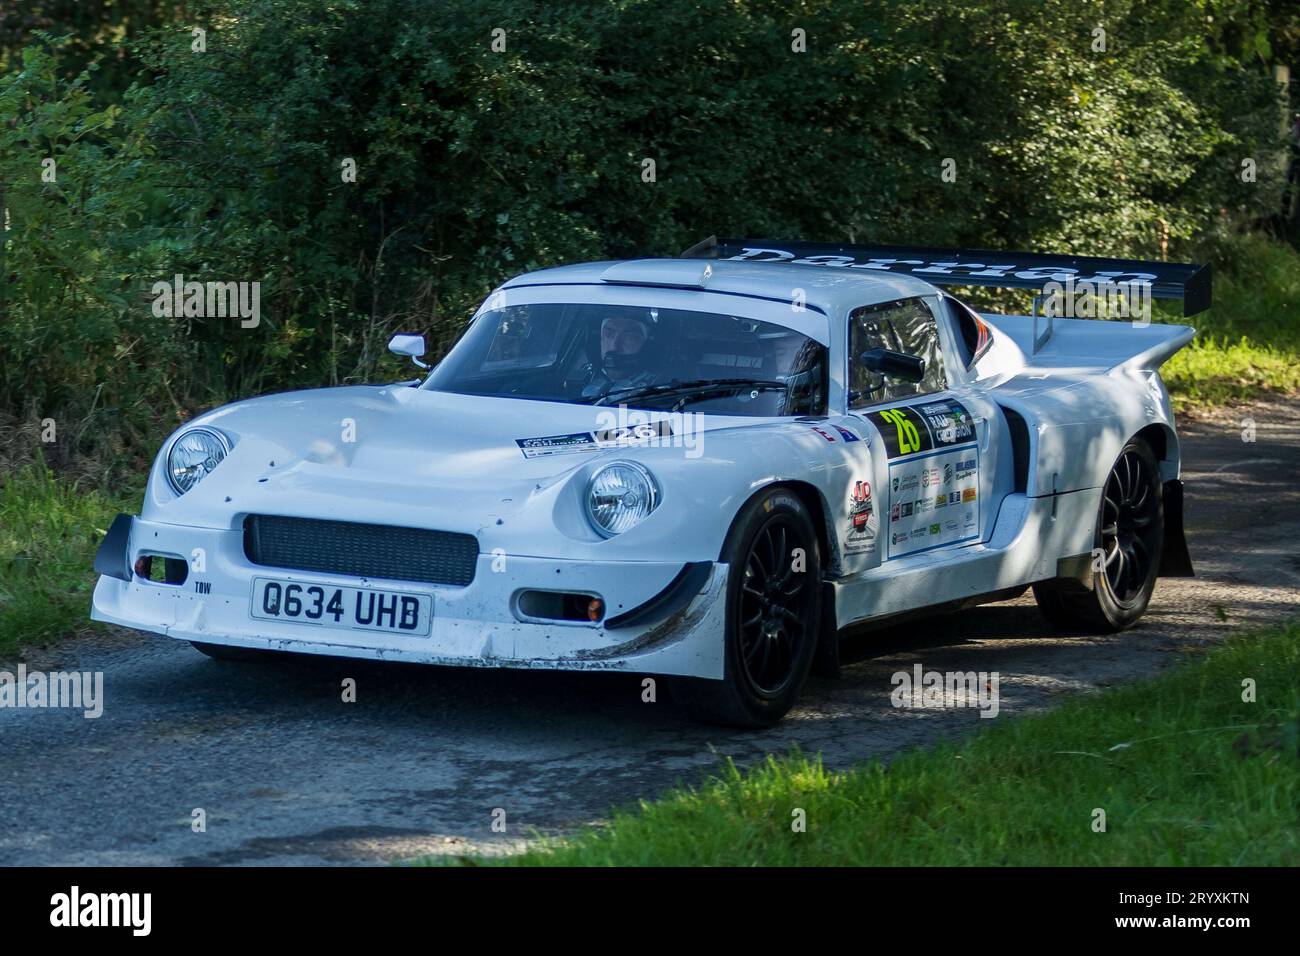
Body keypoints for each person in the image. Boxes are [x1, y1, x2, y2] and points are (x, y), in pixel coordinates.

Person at [578, 312, 659, 398]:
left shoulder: (664, 392)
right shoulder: (585, 376)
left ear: (647, 347)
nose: (614, 346)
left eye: (629, 337)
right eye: (608, 334)